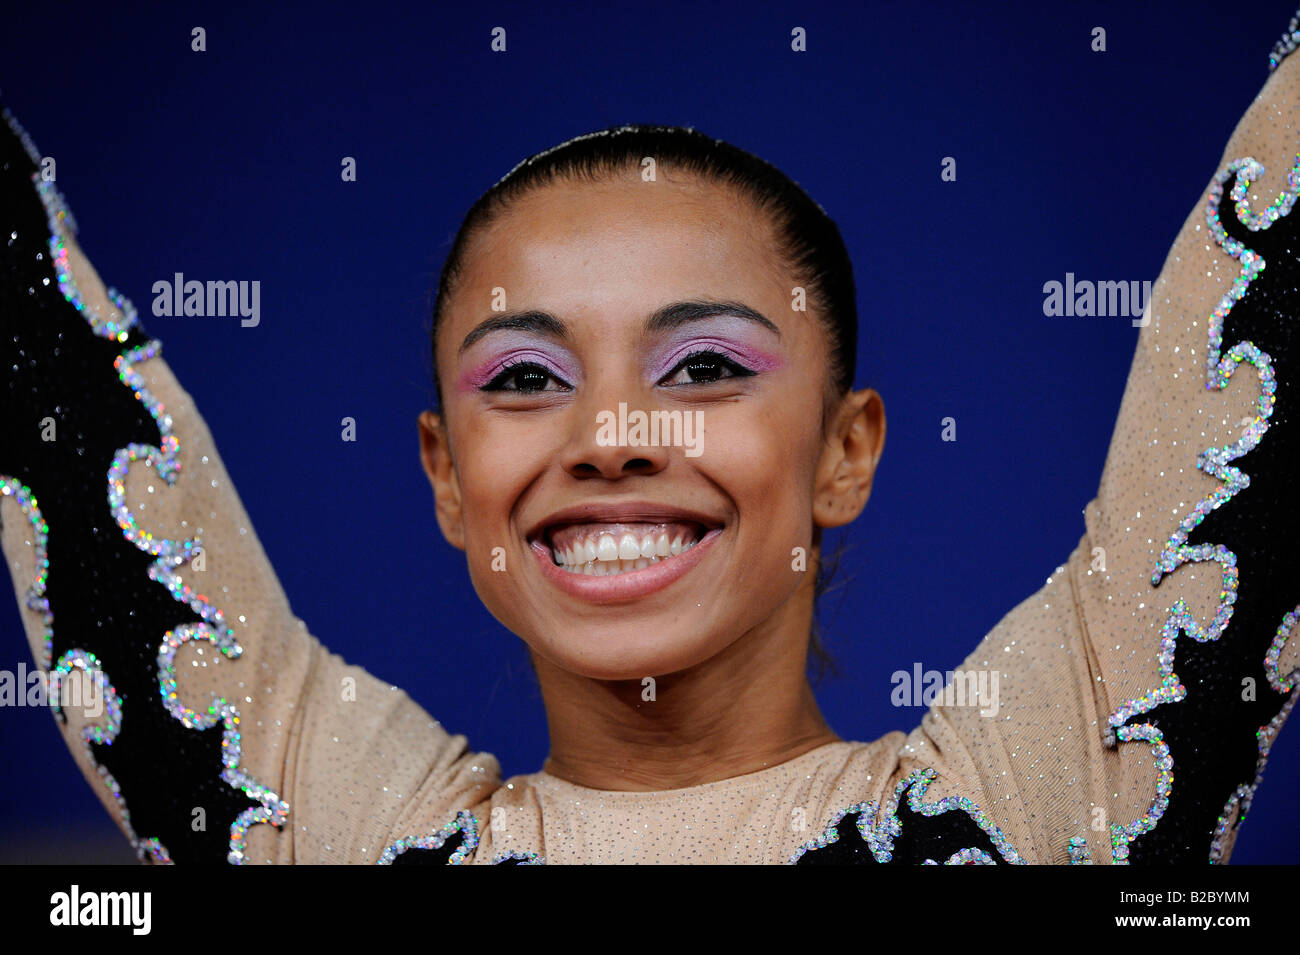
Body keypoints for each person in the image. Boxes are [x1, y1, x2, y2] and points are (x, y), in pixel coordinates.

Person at [3, 12, 1299, 864]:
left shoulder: (1043, 799)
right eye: (524, 376)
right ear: (448, 479)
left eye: (704, 365)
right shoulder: (347, 835)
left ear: (847, 450)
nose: (610, 434)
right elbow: (42, 363)